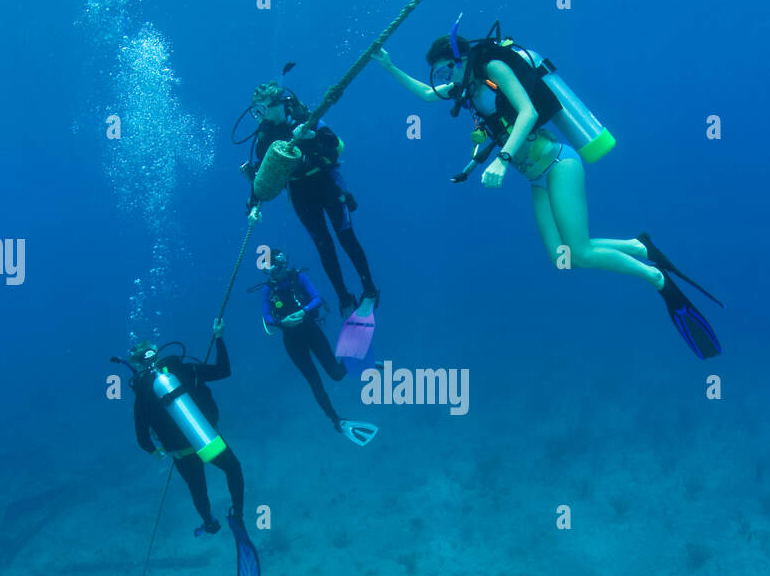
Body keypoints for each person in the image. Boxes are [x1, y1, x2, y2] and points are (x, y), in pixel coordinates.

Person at [372, 23, 722, 359]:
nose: (446, 79)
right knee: (563, 259)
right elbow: (426, 95)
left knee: (580, 252)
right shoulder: (469, 88)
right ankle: (638, 246)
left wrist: (502, 160)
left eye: (447, 69)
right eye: (442, 75)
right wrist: (388, 66)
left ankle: (655, 277)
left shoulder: (493, 67)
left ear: (461, 58)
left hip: (558, 165)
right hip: (535, 178)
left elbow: (528, 111)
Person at [237, 80, 379, 319]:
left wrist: (311, 135)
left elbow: (335, 145)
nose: (261, 117)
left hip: (326, 183)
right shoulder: (265, 137)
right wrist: (253, 207)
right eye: (256, 111)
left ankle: (369, 289)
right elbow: (262, 177)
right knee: (324, 247)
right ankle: (343, 296)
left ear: (279, 103)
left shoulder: (304, 117)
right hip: (301, 194)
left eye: (264, 109)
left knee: (346, 239)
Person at [129, 322, 245, 534]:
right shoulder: (181, 368)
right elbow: (223, 370)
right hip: (205, 439)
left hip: (181, 453)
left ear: (137, 365)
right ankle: (238, 515)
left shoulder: (141, 393)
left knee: (198, 490)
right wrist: (218, 337)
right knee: (233, 469)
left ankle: (210, 523)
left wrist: (157, 451)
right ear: (155, 352)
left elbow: (142, 437)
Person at [260, 249, 377, 446]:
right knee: (314, 382)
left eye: (276, 269)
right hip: (291, 341)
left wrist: (302, 312)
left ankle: (359, 358)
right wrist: (282, 321)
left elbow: (315, 298)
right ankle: (337, 420)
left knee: (336, 374)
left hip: (311, 332)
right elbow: (266, 316)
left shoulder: (299, 278)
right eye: (269, 272)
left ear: (283, 265)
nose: (274, 275)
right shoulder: (268, 290)